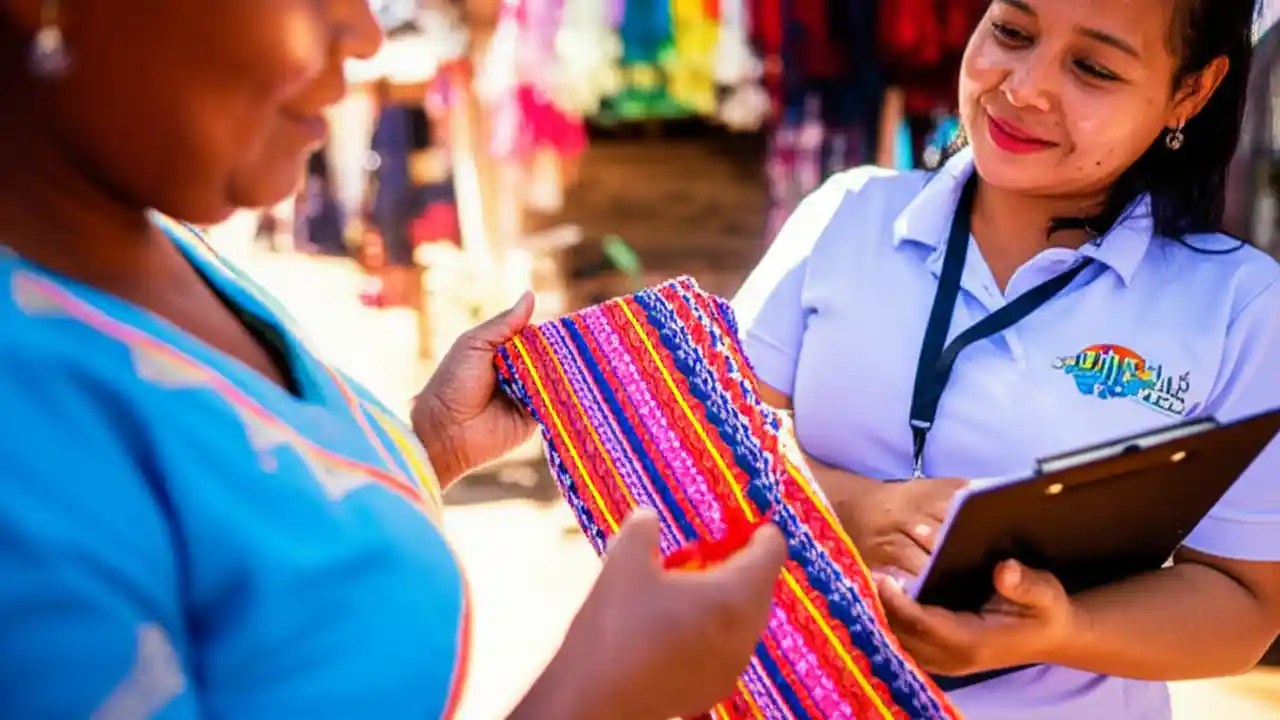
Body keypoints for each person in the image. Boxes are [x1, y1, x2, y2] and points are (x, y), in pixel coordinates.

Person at [0, 2, 790, 719]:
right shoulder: (23, 437)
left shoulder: (153, 247)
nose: (366, 34)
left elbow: (251, 531)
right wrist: (597, 696)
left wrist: (428, 445)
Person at [734, 0, 1280, 717]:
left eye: (1093, 68)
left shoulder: (1241, 307)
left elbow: (1244, 601)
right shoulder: (846, 214)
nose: (1023, 88)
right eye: (1012, 32)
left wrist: (1059, 630)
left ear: (1192, 91)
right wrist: (852, 510)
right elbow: (704, 446)